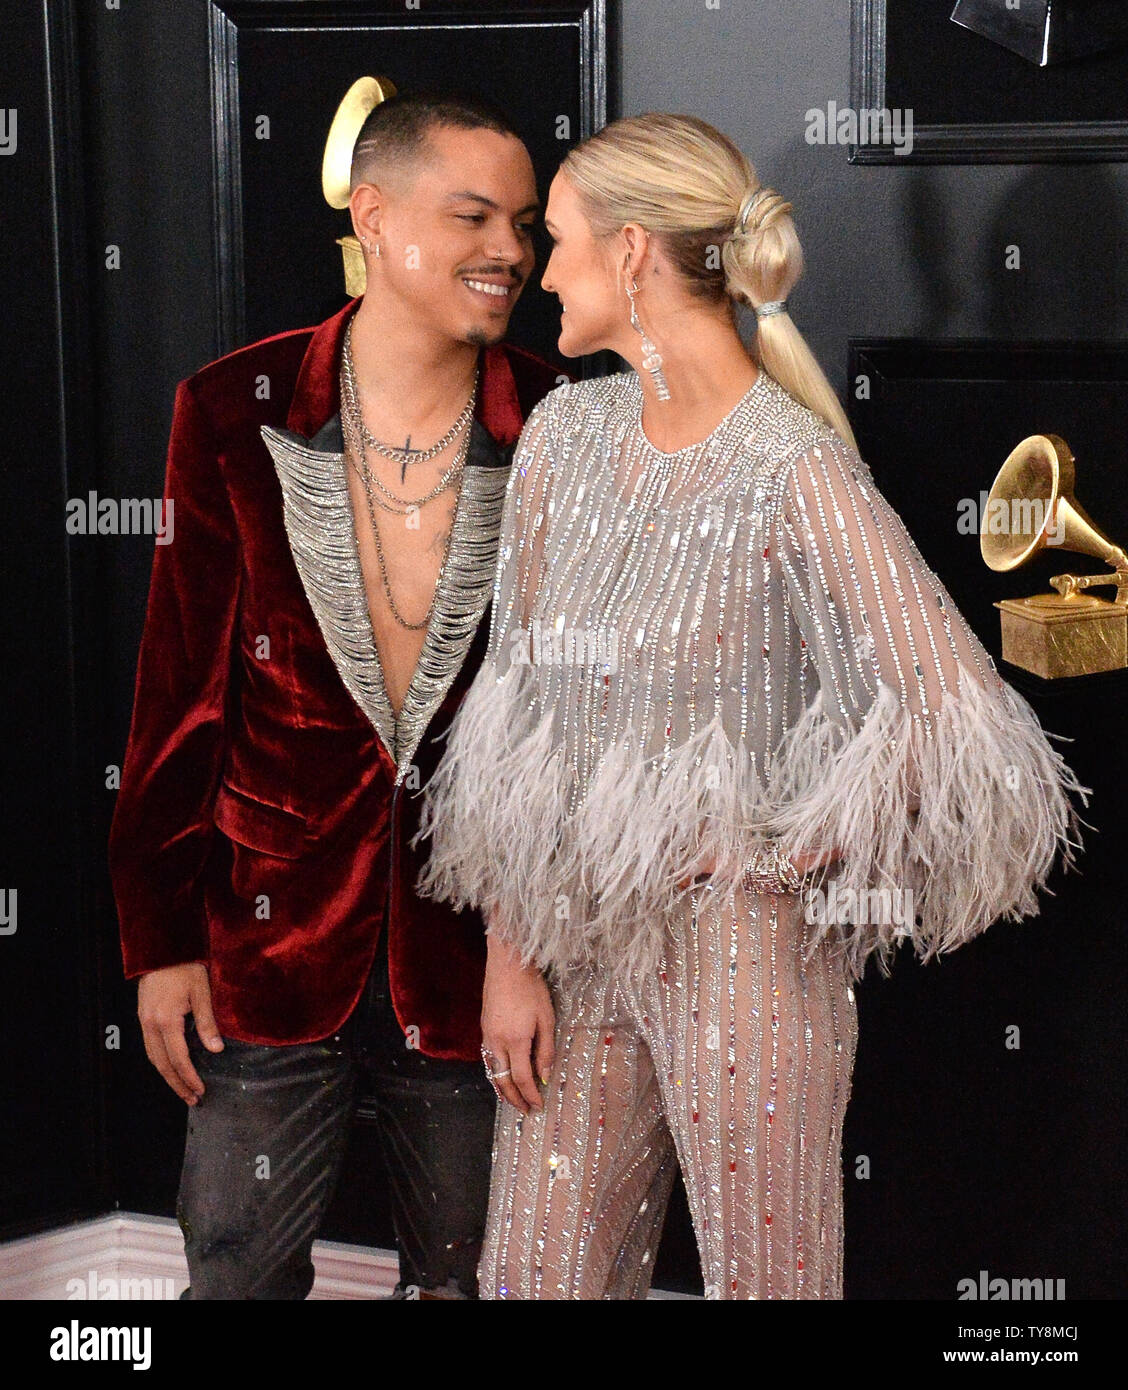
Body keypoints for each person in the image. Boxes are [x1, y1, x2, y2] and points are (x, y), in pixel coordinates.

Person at [411, 113, 1092, 1299]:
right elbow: (515, 719)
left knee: (767, 1286)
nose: (539, 272)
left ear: (632, 254)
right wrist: (508, 959)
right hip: (573, 947)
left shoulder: (794, 466)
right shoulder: (563, 437)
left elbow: (960, 713)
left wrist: (783, 850)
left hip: (746, 966)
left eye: (557, 240)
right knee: (531, 1278)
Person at [108, 91, 563, 1300]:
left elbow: (573, 721)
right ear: (373, 212)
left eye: (522, 221)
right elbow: (177, 691)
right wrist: (158, 938)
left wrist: (535, 944)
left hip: (475, 947)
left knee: (474, 1279)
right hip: (269, 930)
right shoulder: (230, 407)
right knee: (236, 1272)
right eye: (472, 214)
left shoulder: (562, 420)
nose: (510, 250)